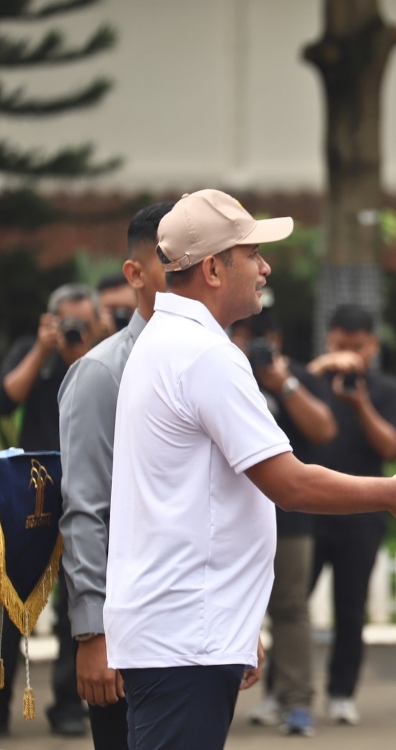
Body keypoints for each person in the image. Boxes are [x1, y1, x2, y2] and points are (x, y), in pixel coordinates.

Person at [103, 189, 396, 750]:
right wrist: (392, 493)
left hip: (179, 628)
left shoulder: (166, 342)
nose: (265, 267)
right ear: (215, 268)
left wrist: (234, 621)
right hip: (184, 636)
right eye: (253, 254)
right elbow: (288, 482)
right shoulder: (205, 354)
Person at [58, 202, 174, 750]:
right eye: (174, 262)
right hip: (128, 633)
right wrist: (93, 632)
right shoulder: (102, 373)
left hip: (194, 629)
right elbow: (86, 508)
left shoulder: (216, 362)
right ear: (136, 274)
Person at [1, 281, 104, 737]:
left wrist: (80, 351)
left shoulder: (104, 356)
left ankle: (68, 706)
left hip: (82, 487)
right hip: (30, 492)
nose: (75, 329)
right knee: (10, 604)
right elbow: (7, 398)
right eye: (67, 321)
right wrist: (43, 350)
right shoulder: (32, 349)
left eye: (83, 320)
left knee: (77, 606)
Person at [231, 309, 337, 737]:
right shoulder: (221, 371)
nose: (251, 346)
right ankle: (217, 695)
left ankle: (296, 702)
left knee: (291, 609)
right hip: (233, 514)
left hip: (289, 516)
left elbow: (325, 429)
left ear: (276, 339)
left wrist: (285, 385)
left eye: (259, 339)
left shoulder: (293, 377)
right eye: (241, 335)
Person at [305, 303, 396, 726]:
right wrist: (320, 368)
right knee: (291, 607)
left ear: (372, 346)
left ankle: (342, 692)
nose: (348, 355)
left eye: (356, 346)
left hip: (363, 515)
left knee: (352, 608)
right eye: (339, 346)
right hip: (309, 510)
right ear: (328, 342)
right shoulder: (309, 382)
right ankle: (283, 688)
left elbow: (391, 448)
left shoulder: (385, 390)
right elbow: (280, 399)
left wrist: (360, 403)